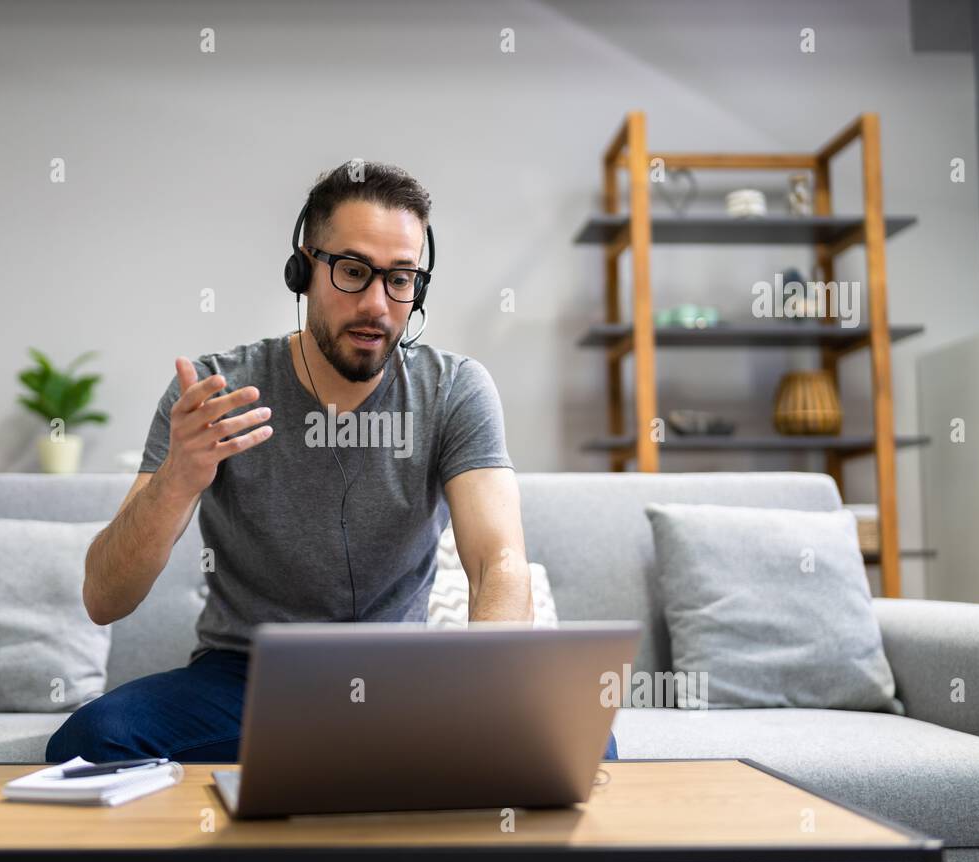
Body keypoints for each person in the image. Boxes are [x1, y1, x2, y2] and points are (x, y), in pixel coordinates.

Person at [45, 160, 618, 765]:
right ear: (303, 270)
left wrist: (494, 684)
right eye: (352, 271)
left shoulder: (455, 390)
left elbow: (497, 560)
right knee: (91, 740)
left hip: (405, 678)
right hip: (247, 680)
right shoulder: (216, 390)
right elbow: (104, 599)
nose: (377, 304)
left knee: (582, 735)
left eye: (401, 279)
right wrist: (177, 480)